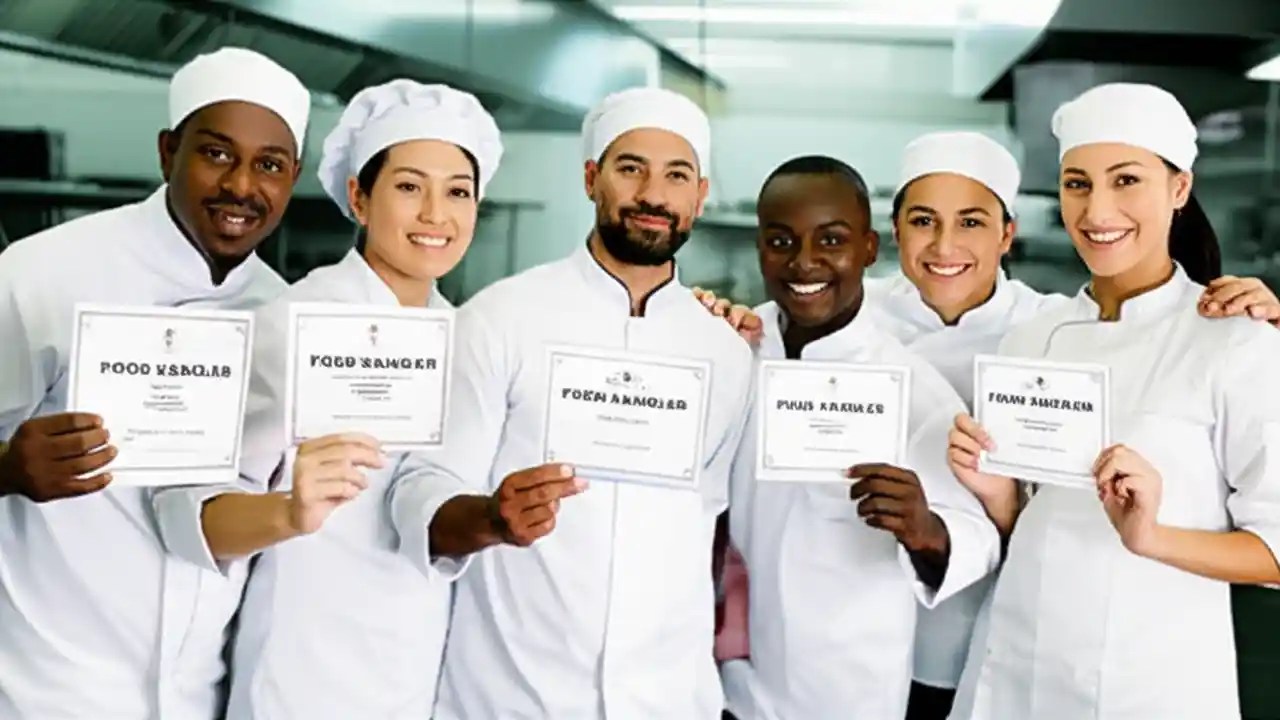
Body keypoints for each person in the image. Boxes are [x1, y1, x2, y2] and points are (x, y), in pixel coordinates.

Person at [696, 131, 1280, 720]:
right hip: (832, 645)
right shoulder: (841, 310)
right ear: (890, 237)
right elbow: (768, 327)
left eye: (972, 222)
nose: (945, 245)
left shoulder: (1048, 331)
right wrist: (713, 316)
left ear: (1007, 234)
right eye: (923, 221)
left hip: (983, 634)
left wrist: (1260, 314)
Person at [389, 86, 755, 719]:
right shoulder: (502, 317)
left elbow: (708, 521)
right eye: (630, 168)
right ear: (592, 179)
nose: (652, 195)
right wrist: (490, 518)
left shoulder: (723, 352)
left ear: (699, 195)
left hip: (667, 698)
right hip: (511, 695)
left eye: (676, 175)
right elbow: (419, 490)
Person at [946, 82, 1280, 720]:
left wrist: (1152, 537)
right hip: (1014, 661)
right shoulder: (1033, 335)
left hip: (1149, 677)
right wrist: (993, 491)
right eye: (1077, 184)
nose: (1097, 210)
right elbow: (1036, 519)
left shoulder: (1235, 341)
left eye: (1126, 180)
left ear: (1179, 189)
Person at [173, 80, 501, 719]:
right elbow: (195, 517)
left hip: (417, 671)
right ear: (359, 196)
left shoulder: (470, 337)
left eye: (457, 191)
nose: (437, 214)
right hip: (300, 674)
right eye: (409, 186)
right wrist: (289, 511)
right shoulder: (294, 322)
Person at [0, 47, 309, 718]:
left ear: (293, 178)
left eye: (269, 165)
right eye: (217, 154)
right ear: (169, 152)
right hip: (45, 686)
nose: (241, 186)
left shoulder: (286, 316)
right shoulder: (42, 276)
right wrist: (5, 466)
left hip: (201, 691)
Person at [719, 155, 1000, 719]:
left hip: (844, 688)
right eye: (780, 241)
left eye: (831, 240)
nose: (804, 262)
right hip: (715, 680)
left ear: (870, 250)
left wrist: (926, 529)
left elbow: (980, 538)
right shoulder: (729, 349)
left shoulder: (912, 388)